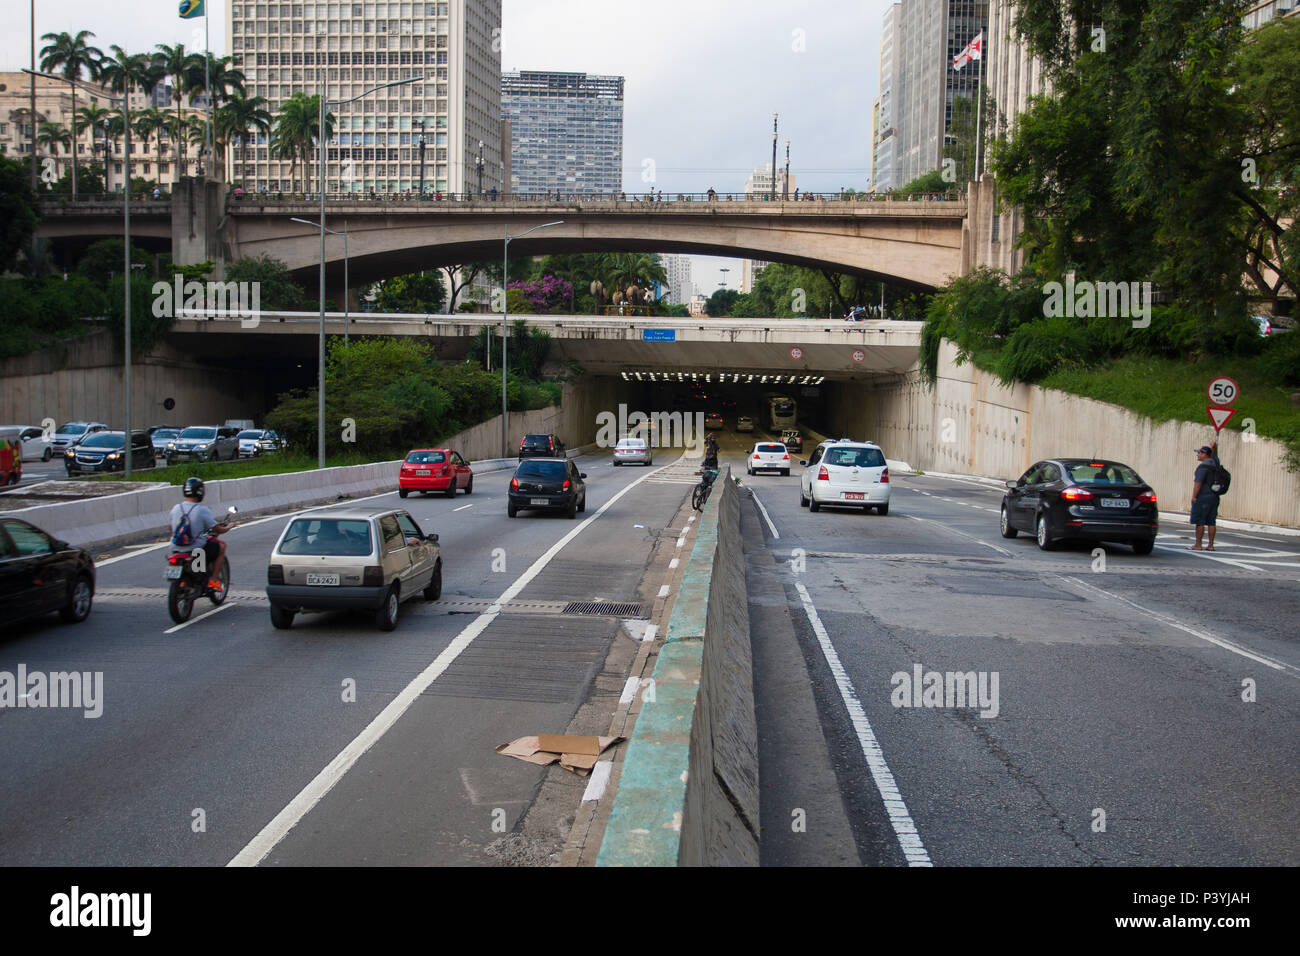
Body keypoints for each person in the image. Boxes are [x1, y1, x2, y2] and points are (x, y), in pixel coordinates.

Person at [169, 477, 232, 591]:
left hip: (175, 548)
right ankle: (213, 580)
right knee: (221, 547)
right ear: (200, 492)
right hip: (195, 548)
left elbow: (171, 527)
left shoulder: (176, 508)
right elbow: (218, 529)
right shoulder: (201, 510)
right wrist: (228, 527)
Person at [1190, 444, 1221, 550]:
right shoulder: (1215, 463)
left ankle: (1198, 544)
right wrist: (1214, 449)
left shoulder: (1203, 467)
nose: (1197, 455)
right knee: (1212, 521)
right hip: (1214, 496)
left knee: (1200, 521)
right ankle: (1211, 545)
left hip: (1203, 497)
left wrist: (1194, 496)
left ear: (1204, 454)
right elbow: (1215, 456)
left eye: (1199, 453)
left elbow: (1198, 482)